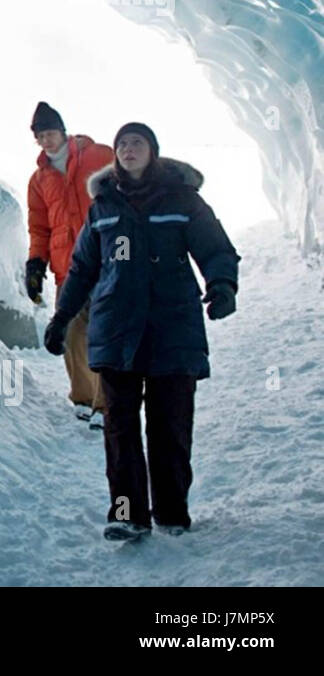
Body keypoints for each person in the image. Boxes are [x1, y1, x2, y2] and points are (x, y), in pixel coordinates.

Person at [43, 123, 239, 541]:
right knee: (120, 428)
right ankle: (128, 514)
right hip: (116, 328)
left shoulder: (182, 199)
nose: (128, 150)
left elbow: (215, 247)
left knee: (170, 425)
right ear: (115, 155)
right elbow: (82, 269)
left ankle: (171, 512)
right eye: (122, 144)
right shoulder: (104, 206)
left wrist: (222, 285)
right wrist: (62, 318)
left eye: (137, 143)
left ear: (153, 151)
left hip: (173, 326)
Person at [24, 102, 114, 427]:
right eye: (40, 137)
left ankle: (107, 403)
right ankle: (83, 398)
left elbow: (132, 184)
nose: (46, 141)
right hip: (67, 266)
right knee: (73, 331)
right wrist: (36, 263)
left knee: (105, 328)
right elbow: (39, 227)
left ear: (62, 130)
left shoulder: (100, 155)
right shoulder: (39, 180)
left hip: (107, 259)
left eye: (49, 133)